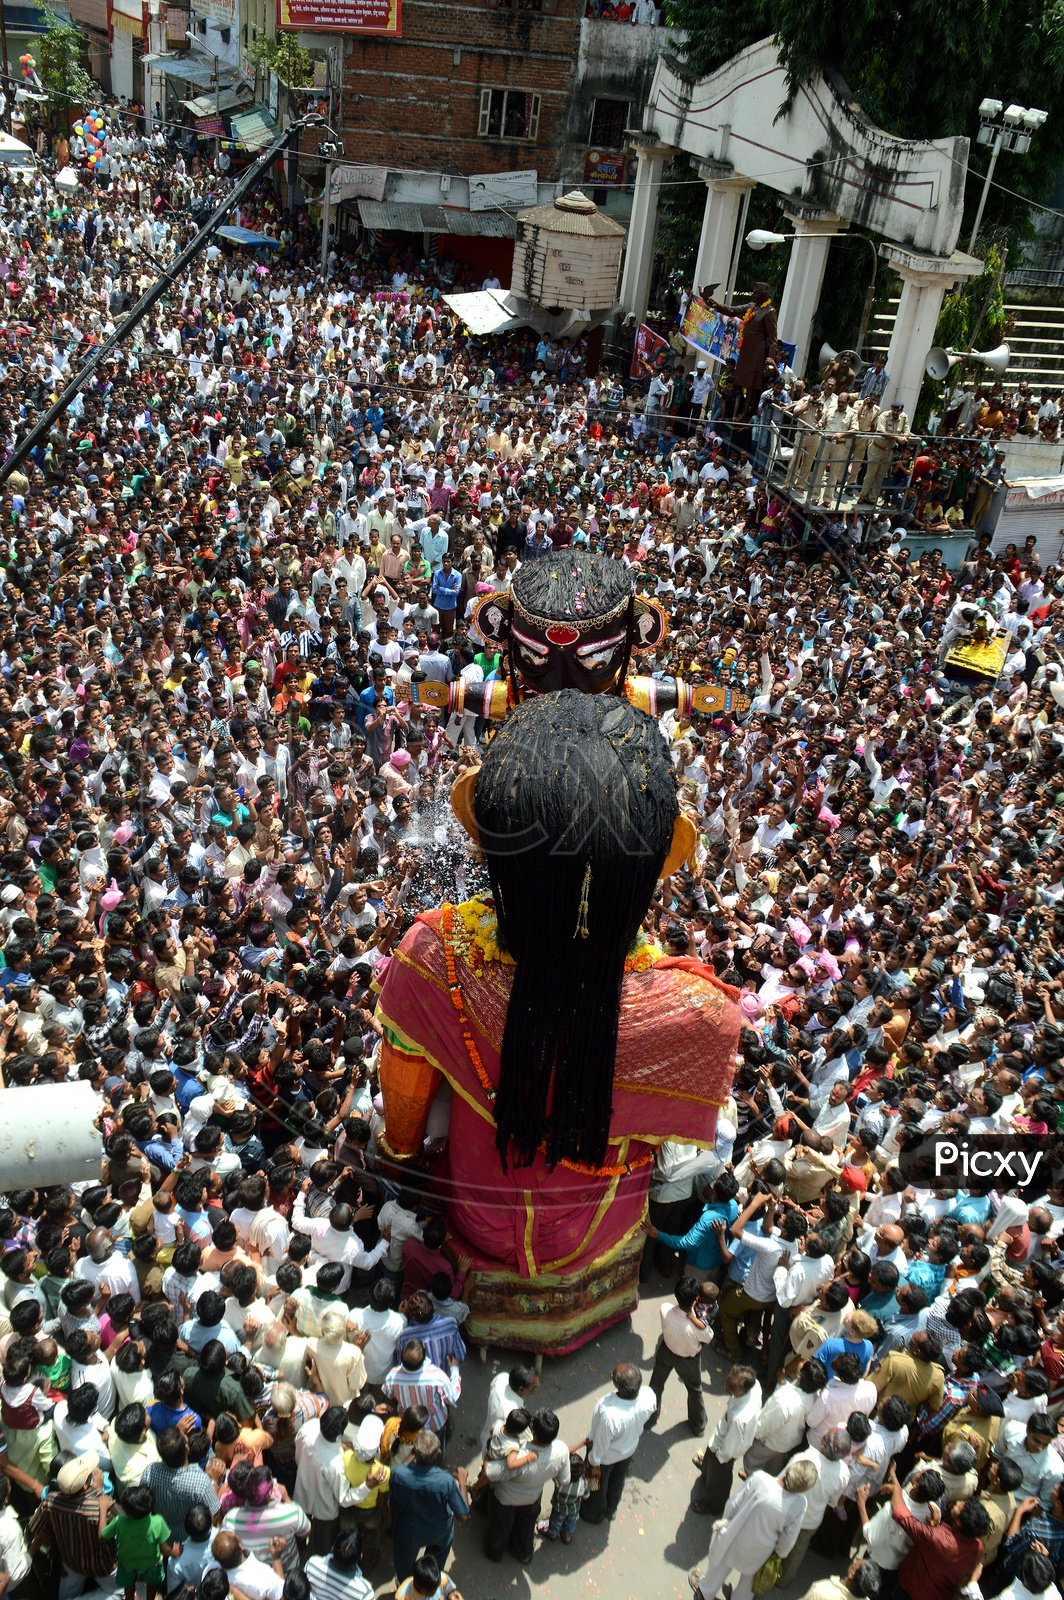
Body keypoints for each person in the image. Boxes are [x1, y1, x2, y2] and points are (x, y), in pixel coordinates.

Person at [691, 1458, 817, 1600]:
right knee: (749, 1584)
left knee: (720, 1567)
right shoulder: (800, 1504)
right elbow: (788, 1540)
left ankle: (706, 1592)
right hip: (761, 1552)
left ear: (788, 1470)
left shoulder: (760, 1479)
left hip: (735, 1536)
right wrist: (779, 1554)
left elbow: (733, 1504)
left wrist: (727, 1522)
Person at [578, 1363, 656, 1525]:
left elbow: (600, 1444)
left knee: (597, 1488)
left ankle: (594, 1514)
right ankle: (610, 1509)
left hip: (605, 1457)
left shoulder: (610, 1414)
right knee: (617, 1481)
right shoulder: (649, 1397)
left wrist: (592, 1462)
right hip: (628, 1450)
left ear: (618, 1387)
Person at [389, 1431, 470, 1585]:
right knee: (436, 1556)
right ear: (439, 1454)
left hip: (408, 1531)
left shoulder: (398, 1474)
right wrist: (462, 1481)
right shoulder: (445, 1481)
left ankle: (405, 1584)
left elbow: (402, 1471)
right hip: (438, 1531)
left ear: (414, 1452)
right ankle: (428, 1580)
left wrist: (413, 1455)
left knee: (404, 1561)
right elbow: (463, 1516)